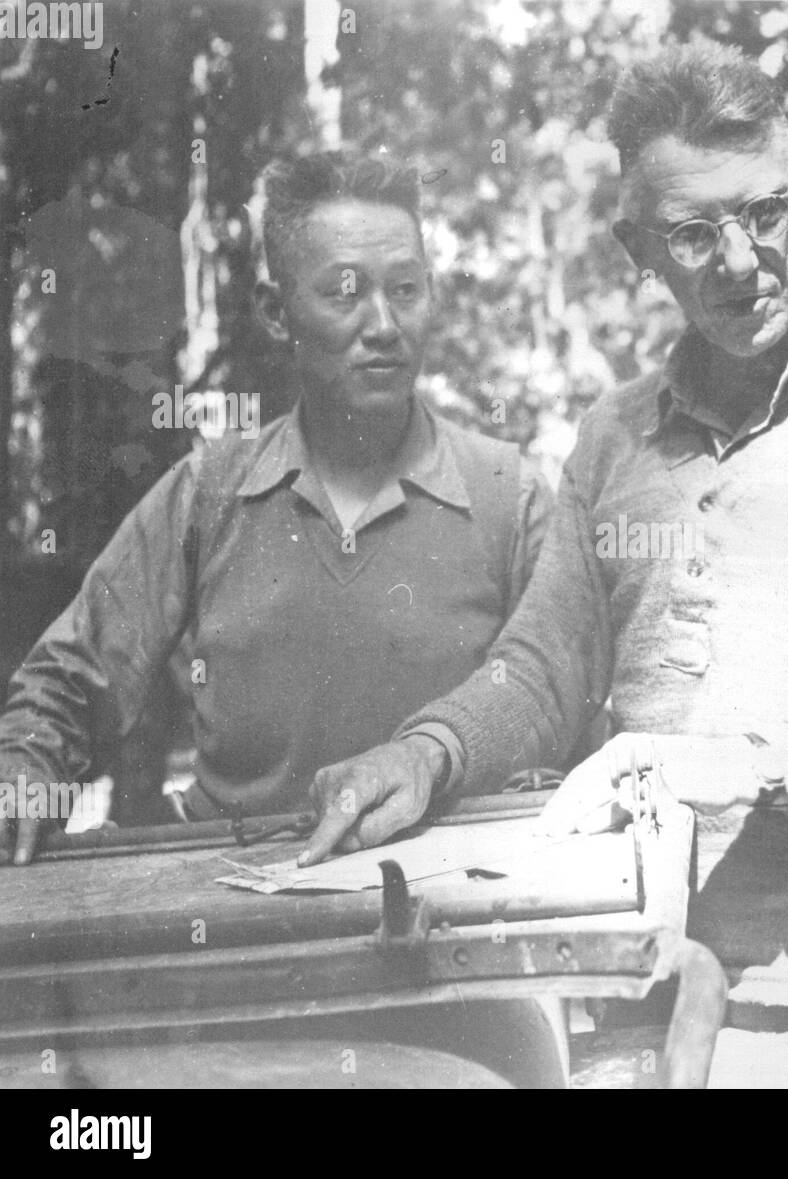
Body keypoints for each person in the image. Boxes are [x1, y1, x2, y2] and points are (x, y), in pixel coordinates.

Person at [302, 41, 788, 1086]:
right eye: (692, 231)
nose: (738, 260)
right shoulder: (613, 438)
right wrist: (426, 753)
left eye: (763, 214)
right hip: (639, 982)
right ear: (638, 246)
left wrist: (751, 766)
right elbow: (544, 667)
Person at [0, 150, 552, 865]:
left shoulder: (510, 495)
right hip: (234, 907)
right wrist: (25, 770)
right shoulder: (210, 493)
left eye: (407, 289)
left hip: (441, 910)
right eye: (344, 293)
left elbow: (552, 694)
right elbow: (69, 681)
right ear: (274, 310)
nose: (383, 323)